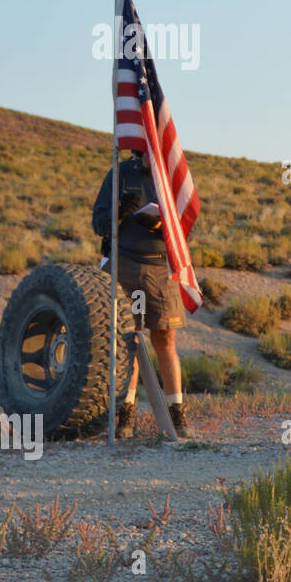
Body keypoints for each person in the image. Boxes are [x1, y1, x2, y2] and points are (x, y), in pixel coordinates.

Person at [91, 150, 193, 439]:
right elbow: (99, 224)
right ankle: (126, 416)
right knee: (129, 340)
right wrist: (119, 212)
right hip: (125, 265)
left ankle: (177, 416)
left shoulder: (173, 177)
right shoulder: (121, 173)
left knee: (166, 339)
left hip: (162, 268)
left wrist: (163, 226)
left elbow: (188, 226)